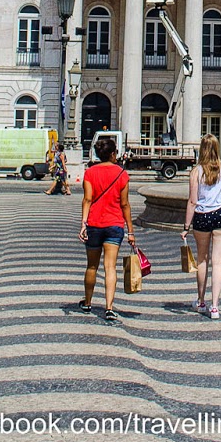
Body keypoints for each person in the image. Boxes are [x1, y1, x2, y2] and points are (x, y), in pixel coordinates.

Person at [78, 133, 135, 322]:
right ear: (112, 154)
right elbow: (125, 204)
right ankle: (109, 307)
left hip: (94, 223)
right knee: (110, 267)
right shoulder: (121, 174)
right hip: (114, 224)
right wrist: (130, 231)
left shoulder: (90, 172)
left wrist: (83, 223)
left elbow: (87, 199)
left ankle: (87, 302)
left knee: (92, 266)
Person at [180, 134, 221, 319]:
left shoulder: (196, 171)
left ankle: (201, 301)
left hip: (203, 215)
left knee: (202, 260)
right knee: (218, 262)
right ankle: (215, 307)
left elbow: (192, 201)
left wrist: (186, 226)